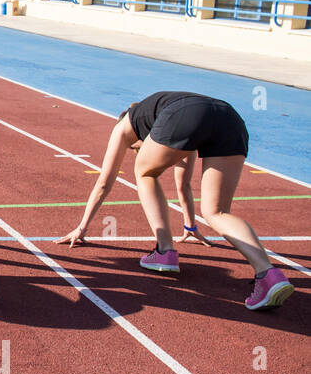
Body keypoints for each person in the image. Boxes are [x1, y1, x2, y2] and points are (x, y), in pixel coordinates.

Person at [57, 91, 294, 311]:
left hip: (189, 115)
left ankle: (164, 251)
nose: (137, 150)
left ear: (136, 140)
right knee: (216, 212)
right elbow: (183, 183)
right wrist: (190, 226)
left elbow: (104, 183)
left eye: (135, 148)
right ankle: (268, 274)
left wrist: (82, 227)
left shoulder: (125, 126)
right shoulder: (168, 117)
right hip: (229, 118)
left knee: (144, 172)